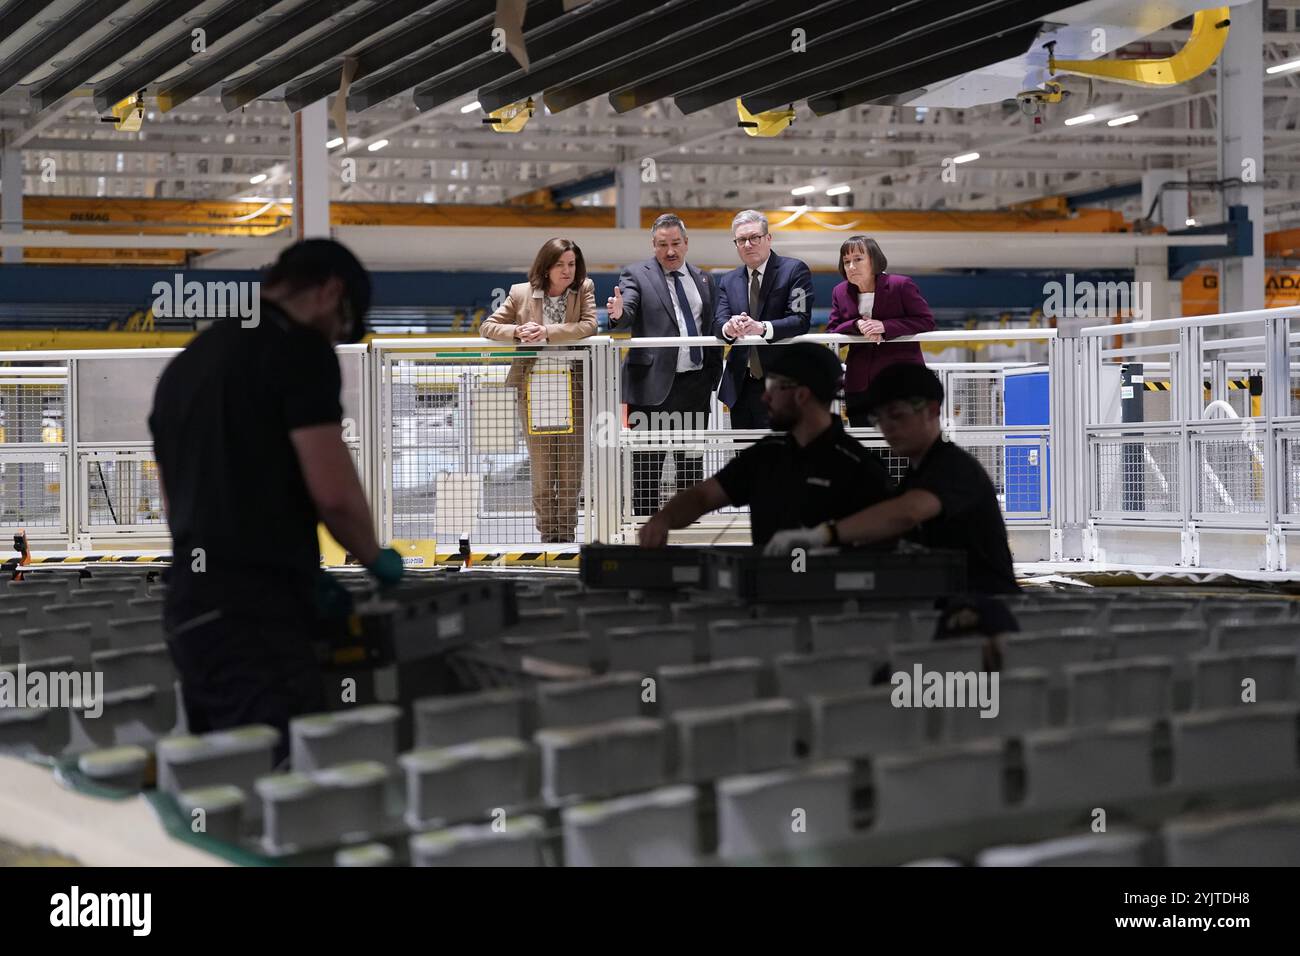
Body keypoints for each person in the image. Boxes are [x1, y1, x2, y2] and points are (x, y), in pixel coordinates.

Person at [148, 239, 405, 759]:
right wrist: (376, 558)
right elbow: (333, 493)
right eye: (343, 327)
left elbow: (177, 506)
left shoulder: (188, 364)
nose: (335, 340)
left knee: (221, 776)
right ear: (332, 292)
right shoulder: (300, 349)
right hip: (256, 619)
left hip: (190, 612)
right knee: (281, 780)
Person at [763, 363, 1019, 594]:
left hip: (991, 613)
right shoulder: (915, 475)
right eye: (879, 418)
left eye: (896, 415)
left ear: (932, 411)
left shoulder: (955, 468)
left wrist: (823, 535)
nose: (887, 427)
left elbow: (908, 513)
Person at [638, 343, 891, 550]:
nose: (764, 396)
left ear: (801, 395)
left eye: (772, 387)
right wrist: (664, 518)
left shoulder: (859, 468)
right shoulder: (765, 455)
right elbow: (704, 496)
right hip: (769, 593)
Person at [480, 237, 597, 542]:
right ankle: (548, 536)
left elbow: (589, 326)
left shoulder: (584, 288)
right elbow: (488, 327)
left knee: (571, 470)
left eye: (571, 264)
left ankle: (567, 535)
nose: (567, 270)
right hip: (533, 388)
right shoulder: (520, 293)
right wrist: (517, 331)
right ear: (546, 267)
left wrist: (547, 332)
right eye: (560, 264)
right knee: (543, 470)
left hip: (574, 386)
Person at [606, 214, 723, 516]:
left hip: (694, 386)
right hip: (650, 388)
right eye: (662, 245)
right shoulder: (635, 274)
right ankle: (645, 537)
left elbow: (711, 323)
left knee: (690, 465)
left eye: (675, 244)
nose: (670, 251)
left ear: (686, 243)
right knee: (647, 467)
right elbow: (627, 309)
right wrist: (619, 314)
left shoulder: (705, 279)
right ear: (653, 245)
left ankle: (688, 528)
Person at [713, 210, 814, 429]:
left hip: (782, 384)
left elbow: (800, 320)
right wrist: (729, 328)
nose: (748, 244)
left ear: (768, 238)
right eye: (741, 240)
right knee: (744, 458)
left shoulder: (794, 270)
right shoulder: (728, 280)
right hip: (741, 386)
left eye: (754, 237)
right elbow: (718, 323)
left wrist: (761, 328)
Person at [825, 235, 935, 427]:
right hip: (858, 384)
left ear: (874, 260)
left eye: (858, 259)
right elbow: (833, 333)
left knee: (902, 447)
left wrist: (885, 327)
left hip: (901, 383)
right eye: (846, 262)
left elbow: (926, 321)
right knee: (865, 445)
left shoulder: (900, 285)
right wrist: (857, 325)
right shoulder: (840, 291)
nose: (851, 266)